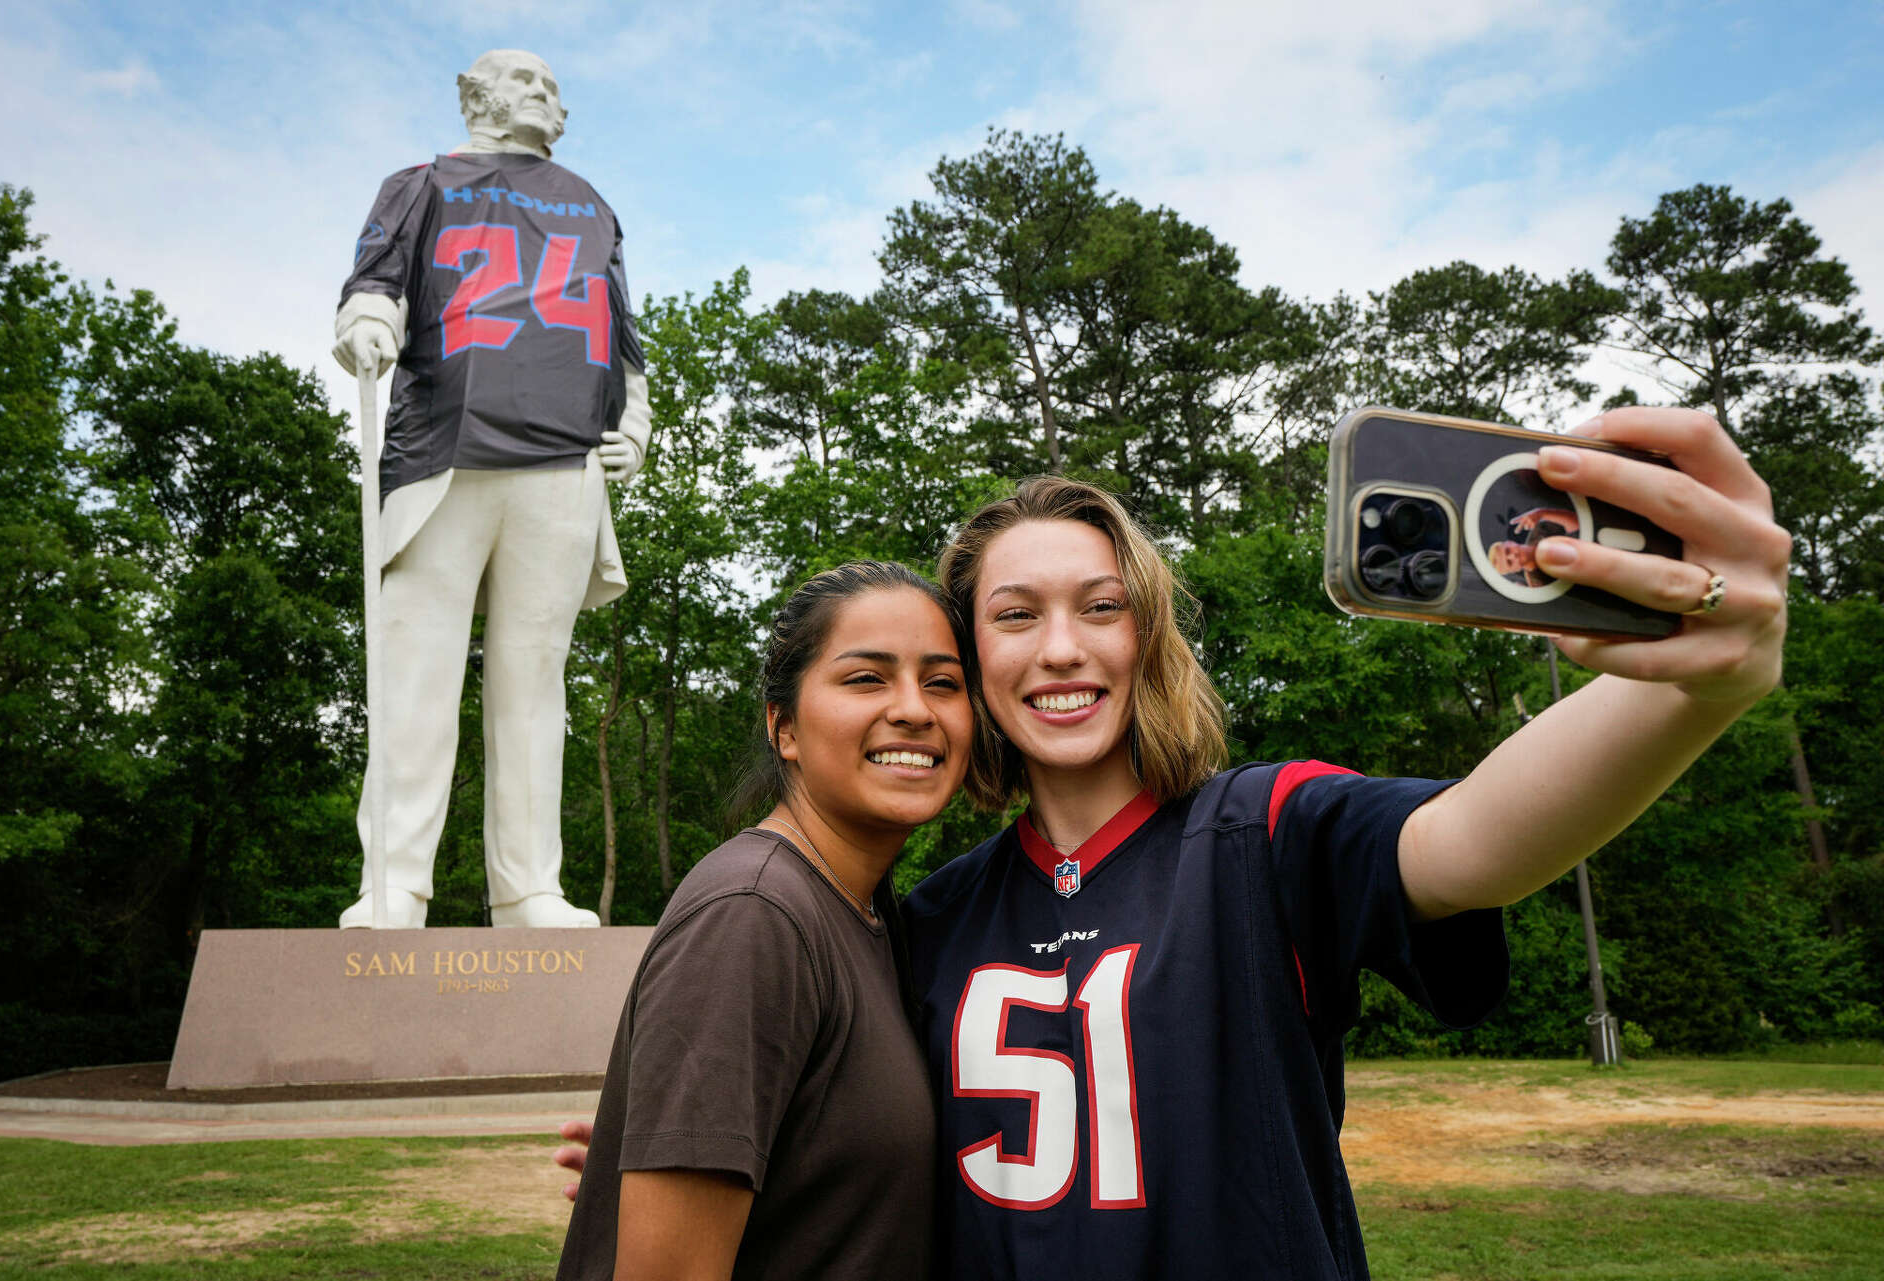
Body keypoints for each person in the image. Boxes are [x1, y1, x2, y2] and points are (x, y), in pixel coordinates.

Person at [558, 408, 1788, 1279]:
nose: (1062, 648)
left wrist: (1694, 690)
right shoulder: (930, 920)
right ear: (976, 667)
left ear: (1147, 636)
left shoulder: (1266, 833)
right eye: (1014, 615)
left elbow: (1477, 841)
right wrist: (716, 1156)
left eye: (1103, 608)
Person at [556, 562, 974, 1281]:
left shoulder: (875, 913)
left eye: (942, 682)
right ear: (783, 727)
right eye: (866, 678)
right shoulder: (754, 914)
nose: (914, 708)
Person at [332, 49, 651, 928]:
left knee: (533, 684)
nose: (554, 100)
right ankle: (394, 885)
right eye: (534, 85)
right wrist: (365, 325)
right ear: (478, 96)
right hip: (447, 449)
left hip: (563, 462)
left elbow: (620, 326)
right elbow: (375, 283)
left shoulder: (592, 205)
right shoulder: (422, 182)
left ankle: (528, 888)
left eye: (556, 87)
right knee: (416, 676)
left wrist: (633, 421)